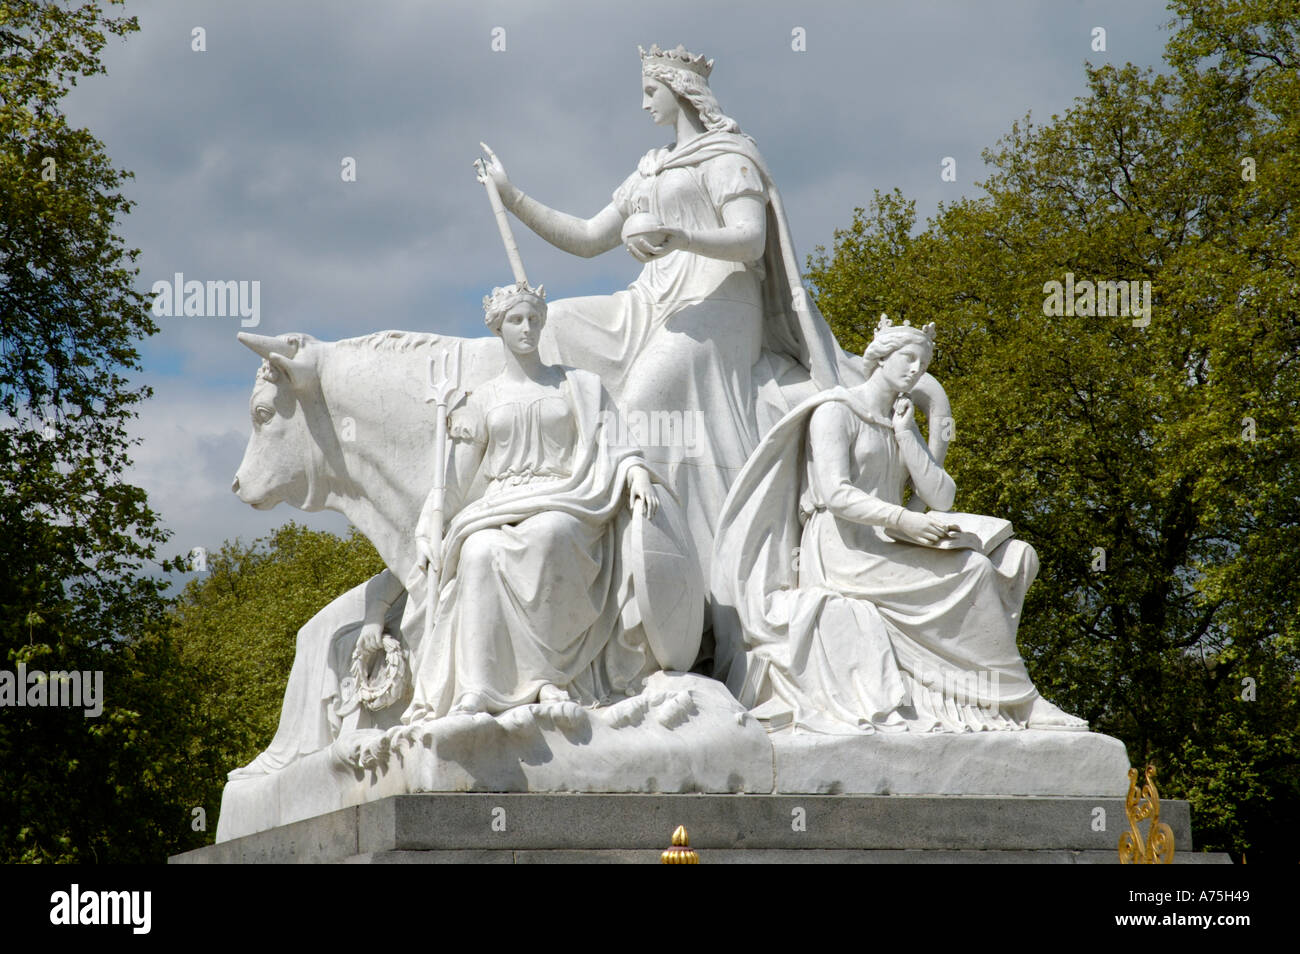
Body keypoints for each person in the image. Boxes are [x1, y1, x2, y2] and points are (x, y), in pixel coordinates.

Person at [474, 44, 863, 589]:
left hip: (720, 299)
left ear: (681, 92)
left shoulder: (729, 158)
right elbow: (588, 239)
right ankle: (554, 502)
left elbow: (751, 240)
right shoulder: (649, 169)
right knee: (556, 326)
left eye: (649, 92)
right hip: (650, 299)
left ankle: (671, 568)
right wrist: (512, 197)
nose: (642, 104)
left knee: (646, 399)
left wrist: (680, 237)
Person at [712, 316, 1088, 733]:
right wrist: (903, 519)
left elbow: (942, 497)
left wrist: (907, 435)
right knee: (975, 571)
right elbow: (835, 493)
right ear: (882, 357)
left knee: (1013, 556)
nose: (915, 371)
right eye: (908, 359)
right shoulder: (836, 411)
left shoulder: (898, 419)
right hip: (843, 550)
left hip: (887, 541)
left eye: (923, 365)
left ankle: (995, 697)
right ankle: (1021, 702)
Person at [402, 281, 670, 721]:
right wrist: (429, 523)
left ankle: (547, 678)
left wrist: (635, 471)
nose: (527, 328)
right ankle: (478, 686)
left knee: (550, 534)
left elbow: (616, 441)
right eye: (516, 320)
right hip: (501, 502)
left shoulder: (578, 385)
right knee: (477, 552)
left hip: (565, 496)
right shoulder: (482, 399)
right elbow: (453, 480)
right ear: (498, 328)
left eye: (533, 319)